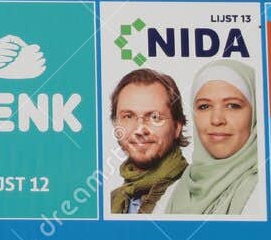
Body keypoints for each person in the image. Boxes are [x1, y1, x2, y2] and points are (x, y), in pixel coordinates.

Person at [155, 62, 261, 217]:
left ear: (256, 113)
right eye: (204, 106)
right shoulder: (177, 189)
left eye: (232, 105)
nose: (217, 120)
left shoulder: (265, 189)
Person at [107, 68, 189, 215]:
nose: (140, 130)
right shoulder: (111, 202)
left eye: (155, 117)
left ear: (177, 127)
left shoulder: (196, 193)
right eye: (128, 116)